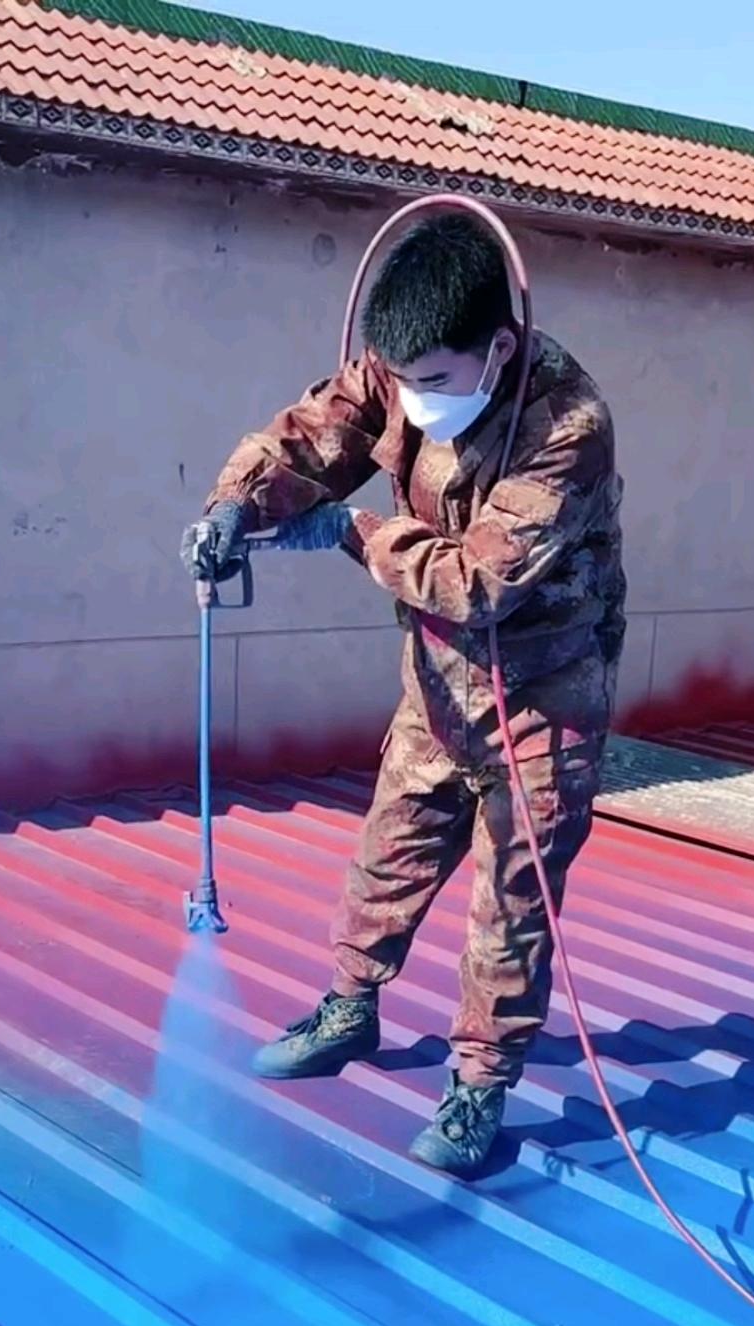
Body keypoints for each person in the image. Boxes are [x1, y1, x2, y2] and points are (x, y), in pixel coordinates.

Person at [182, 214, 625, 1178]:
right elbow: (315, 436)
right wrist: (235, 504)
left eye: (433, 380)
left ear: (498, 348)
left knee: (512, 904)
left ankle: (479, 1085)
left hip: (543, 700)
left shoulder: (567, 429)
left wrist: (352, 535)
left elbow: (477, 582)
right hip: (439, 684)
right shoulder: (401, 369)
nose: (413, 399)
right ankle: (350, 1007)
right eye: (401, 378)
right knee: (389, 854)